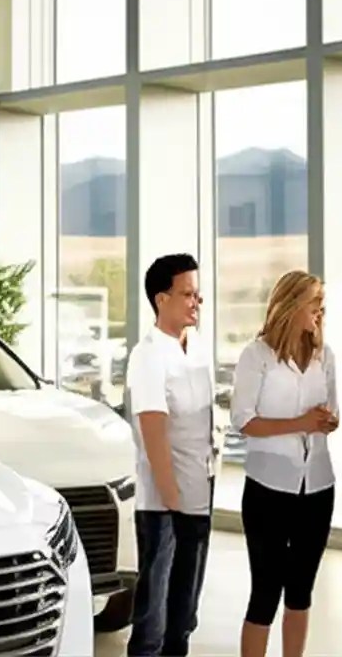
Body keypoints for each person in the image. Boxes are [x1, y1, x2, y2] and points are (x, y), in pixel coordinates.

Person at [230, 270, 339, 657]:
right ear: (291, 305)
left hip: (319, 488)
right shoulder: (255, 355)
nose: (320, 313)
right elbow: (242, 421)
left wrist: (328, 421)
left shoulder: (325, 356)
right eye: (315, 304)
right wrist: (300, 424)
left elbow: (332, 416)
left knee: (301, 590)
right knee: (265, 591)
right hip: (267, 491)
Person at [125, 253, 216, 657]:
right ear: (162, 299)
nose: (196, 301)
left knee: (184, 614)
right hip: (164, 504)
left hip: (199, 494)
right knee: (154, 619)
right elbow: (153, 432)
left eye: (198, 294)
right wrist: (174, 500)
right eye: (188, 294)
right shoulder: (147, 356)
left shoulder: (196, 348)